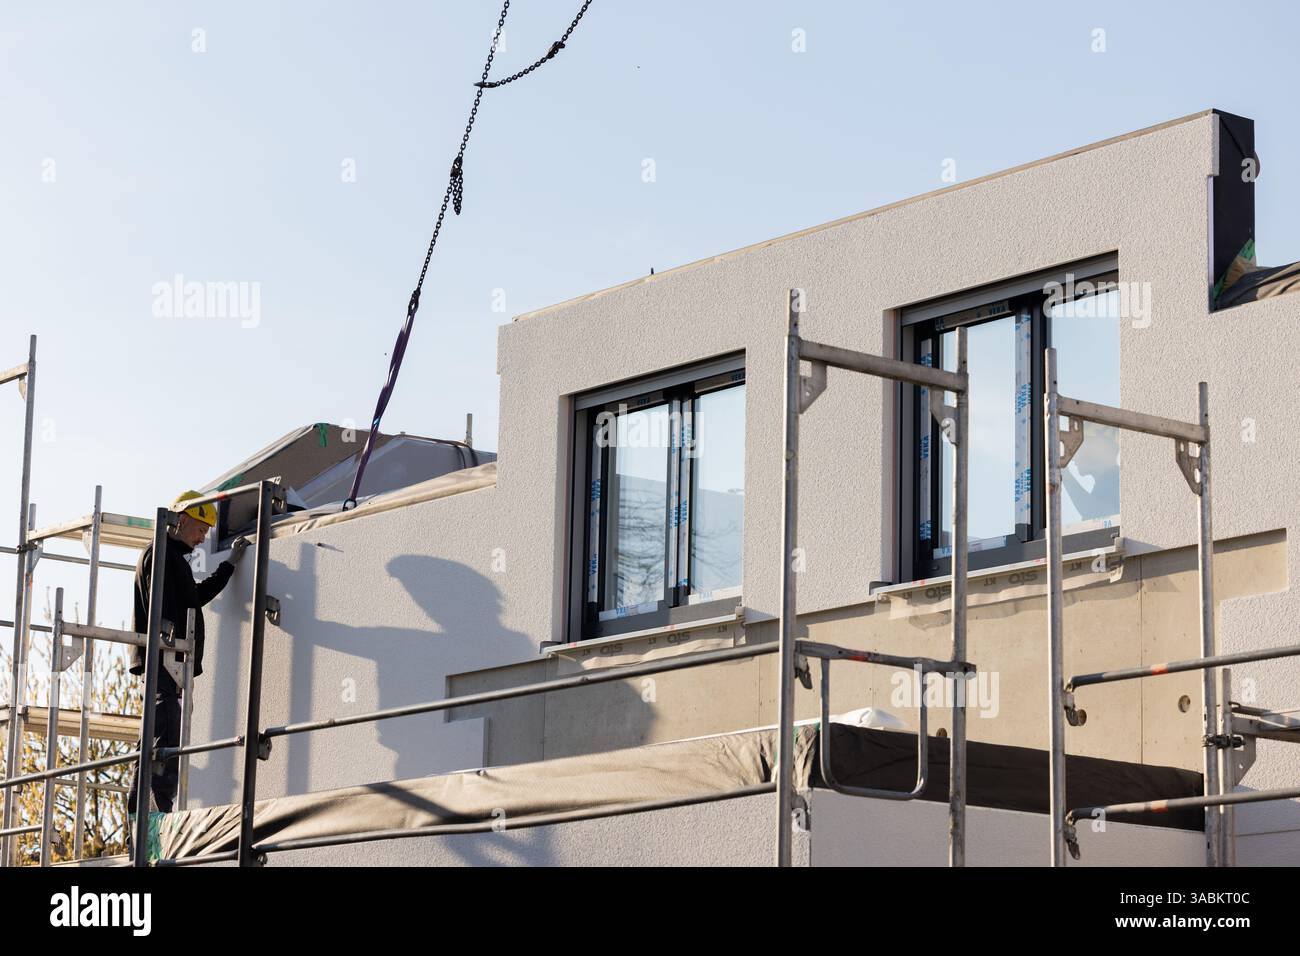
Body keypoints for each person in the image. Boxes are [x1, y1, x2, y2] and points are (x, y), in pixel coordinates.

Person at [127, 491, 247, 818]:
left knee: (155, 745)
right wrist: (170, 648)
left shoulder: (171, 557)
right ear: (181, 520)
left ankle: (142, 827)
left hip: (168, 667)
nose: (203, 536)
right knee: (163, 747)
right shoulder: (160, 554)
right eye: (199, 528)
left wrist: (230, 566)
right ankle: (153, 827)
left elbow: (196, 597)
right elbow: (161, 607)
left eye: (207, 531)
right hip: (164, 666)